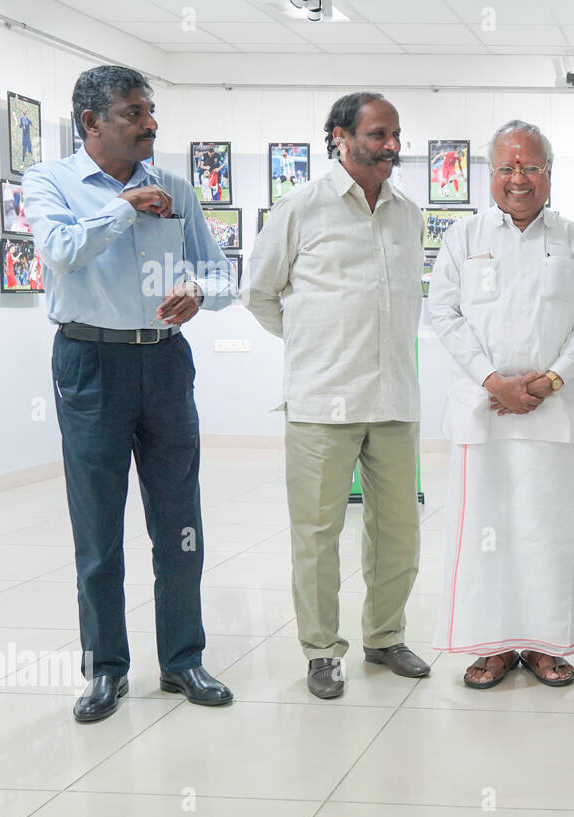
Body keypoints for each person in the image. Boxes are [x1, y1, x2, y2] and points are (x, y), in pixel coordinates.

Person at [23, 65, 235, 722]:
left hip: (165, 363)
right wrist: (123, 208)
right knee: (98, 526)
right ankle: (106, 669)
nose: (150, 124)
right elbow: (58, 251)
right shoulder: (49, 182)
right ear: (91, 122)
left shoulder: (176, 187)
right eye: (135, 112)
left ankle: (183, 660)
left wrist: (198, 292)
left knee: (180, 523)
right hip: (88, 361)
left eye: (150, 111)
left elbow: (219, 272)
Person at [241, 91, 431, 699]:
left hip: (395, 398)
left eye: (396, 134)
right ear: (339, 138)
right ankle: (322, 651)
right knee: (318, 535)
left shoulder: (407, 212)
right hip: (324, 403)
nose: (391, 146)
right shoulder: (300, 207)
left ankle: (384, 636)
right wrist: (311, 344)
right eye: (378, 134)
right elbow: (260, 294)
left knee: (399, 531)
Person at [429, 119, 574, 689]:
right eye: (507, 167)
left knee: (548, 533)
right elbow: (444, 316)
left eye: (531, 166)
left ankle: (544, 644)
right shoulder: (463, 238)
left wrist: (549, 381)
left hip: (553, 412)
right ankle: (494, 645)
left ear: (549, 173)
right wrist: (493, 382)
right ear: (491, 174)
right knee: (487, 530)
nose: (519, 178)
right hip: (484, 412)